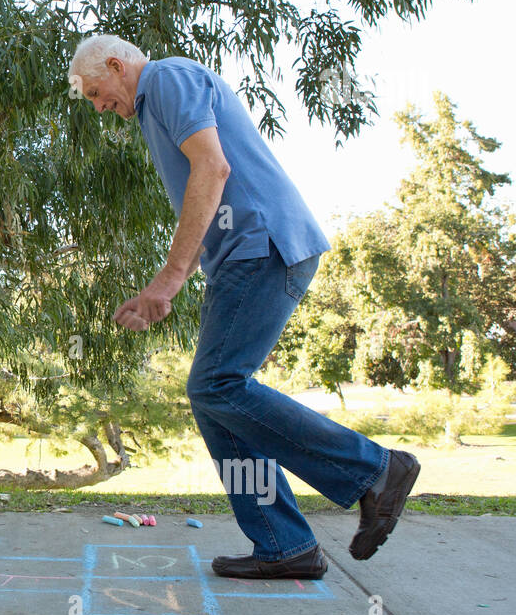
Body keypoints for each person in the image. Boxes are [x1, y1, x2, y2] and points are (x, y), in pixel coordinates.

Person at [68, 35, 420, 578]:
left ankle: (375, 470)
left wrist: (169, 278)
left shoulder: (164, 78)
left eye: (96, 91)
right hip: (243, 254)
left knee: (217, 385)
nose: (98, 106)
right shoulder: (154, 101)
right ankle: (284, 545)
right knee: (214, 396)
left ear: (117, 66)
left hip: (262, 245)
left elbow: (212, 169)